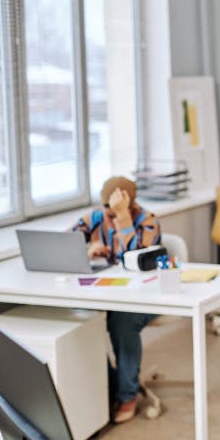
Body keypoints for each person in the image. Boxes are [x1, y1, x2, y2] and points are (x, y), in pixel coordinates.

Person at [72, 176, 161, 423]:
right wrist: (87, 251)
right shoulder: (96, 217)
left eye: (115, 212)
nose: (110, 218)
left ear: (130, 205)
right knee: (77, 322)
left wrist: (123, 218)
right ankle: (110, 384)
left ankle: (127, 394)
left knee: (122, 323)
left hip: (146, 298)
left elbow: (135, 258)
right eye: (108, 212)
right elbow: (67, 245)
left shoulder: (148, 222)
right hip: (106, 294)